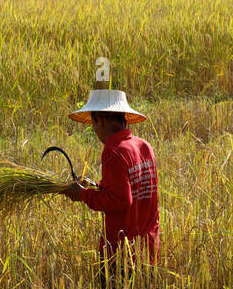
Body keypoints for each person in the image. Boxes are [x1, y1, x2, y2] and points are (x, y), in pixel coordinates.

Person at [61, 84, 159, 276]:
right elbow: (132, 189)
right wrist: (95, 187)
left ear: (102, 121)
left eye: (93, 123)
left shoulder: (113, 151)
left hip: (121, 254)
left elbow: (121, 200)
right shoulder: (144, 146)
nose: (95, 130)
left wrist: (82, 194)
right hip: (147, 248)